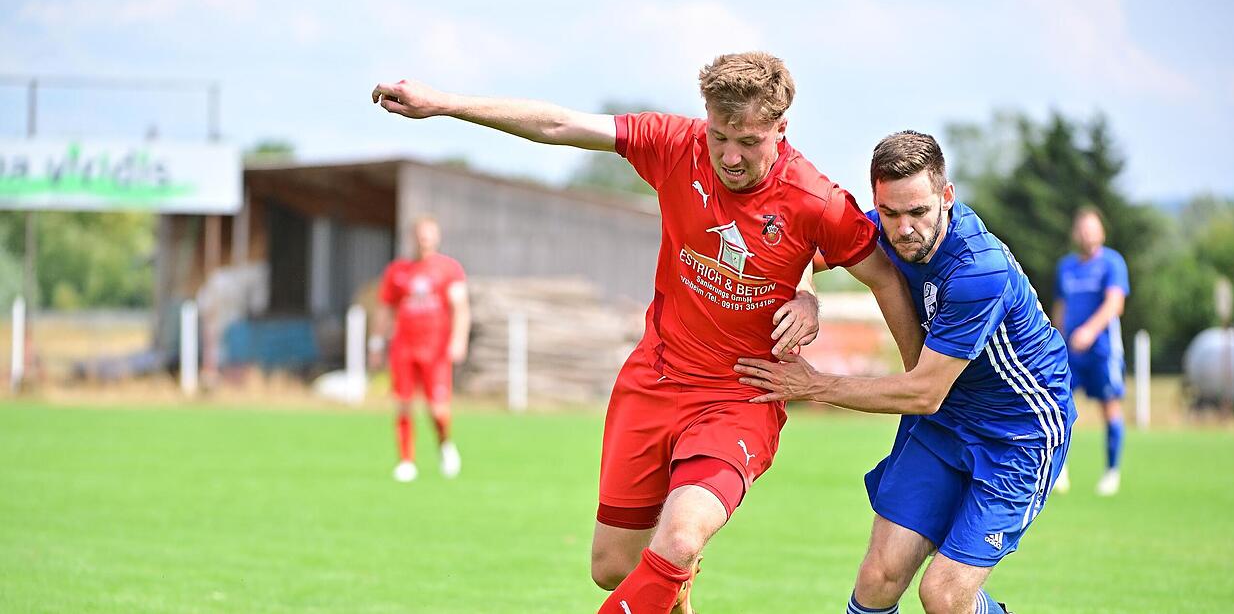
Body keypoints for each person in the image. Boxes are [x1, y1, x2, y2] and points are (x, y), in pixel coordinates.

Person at [373, 52, 922, 614]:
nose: (730, 156)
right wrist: (443, 104)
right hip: (655, 378)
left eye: (749, 142)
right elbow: (560, 123)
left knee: (681, 539)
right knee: (615, 568)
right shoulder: (674, 145)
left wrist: (916, 377)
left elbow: (883, 273)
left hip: (741, 396)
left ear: (782, 129)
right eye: (720, 136)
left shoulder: (817, 200)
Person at [736, 131, 1076, 614]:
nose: (903, 228)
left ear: (947, 196)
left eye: (918, 212)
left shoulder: (979, 271)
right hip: (945, 421)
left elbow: (924, 393)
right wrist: (807, 296)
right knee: (877, 578)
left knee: (942, 595)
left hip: (1016, 434)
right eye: (890, 213)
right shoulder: (882, 226)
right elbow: (801, 253)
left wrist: (815, 385)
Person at [371, 216, 470, 482]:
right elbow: (384, 309)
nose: (424, 238)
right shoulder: (398, 271)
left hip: (436, 349)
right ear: (412, 237)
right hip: (404, 347)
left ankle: (444, 443)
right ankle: (406, 461)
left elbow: (460, 306)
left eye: (429, 234)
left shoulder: (448, 269)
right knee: (403, 404)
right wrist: (376, 343)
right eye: (420, 234)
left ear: (436, 237)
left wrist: (459, 339)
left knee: (437, 409)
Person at [1052, 207, 1130, 496]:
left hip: (1103, 351)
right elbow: (1060, 307)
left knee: (1109, 407)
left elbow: (1114, 304)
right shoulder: (1066, 267)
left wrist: (1089, 331)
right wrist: (1056, 340)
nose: (1087, 234)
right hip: (1071, 351)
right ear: (1075, 233)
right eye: (1082, 228)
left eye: (1092, 228)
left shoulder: (1112, 262)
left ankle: (1111, 472)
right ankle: (1060, 470)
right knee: (1058, 406)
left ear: (1102, 231)